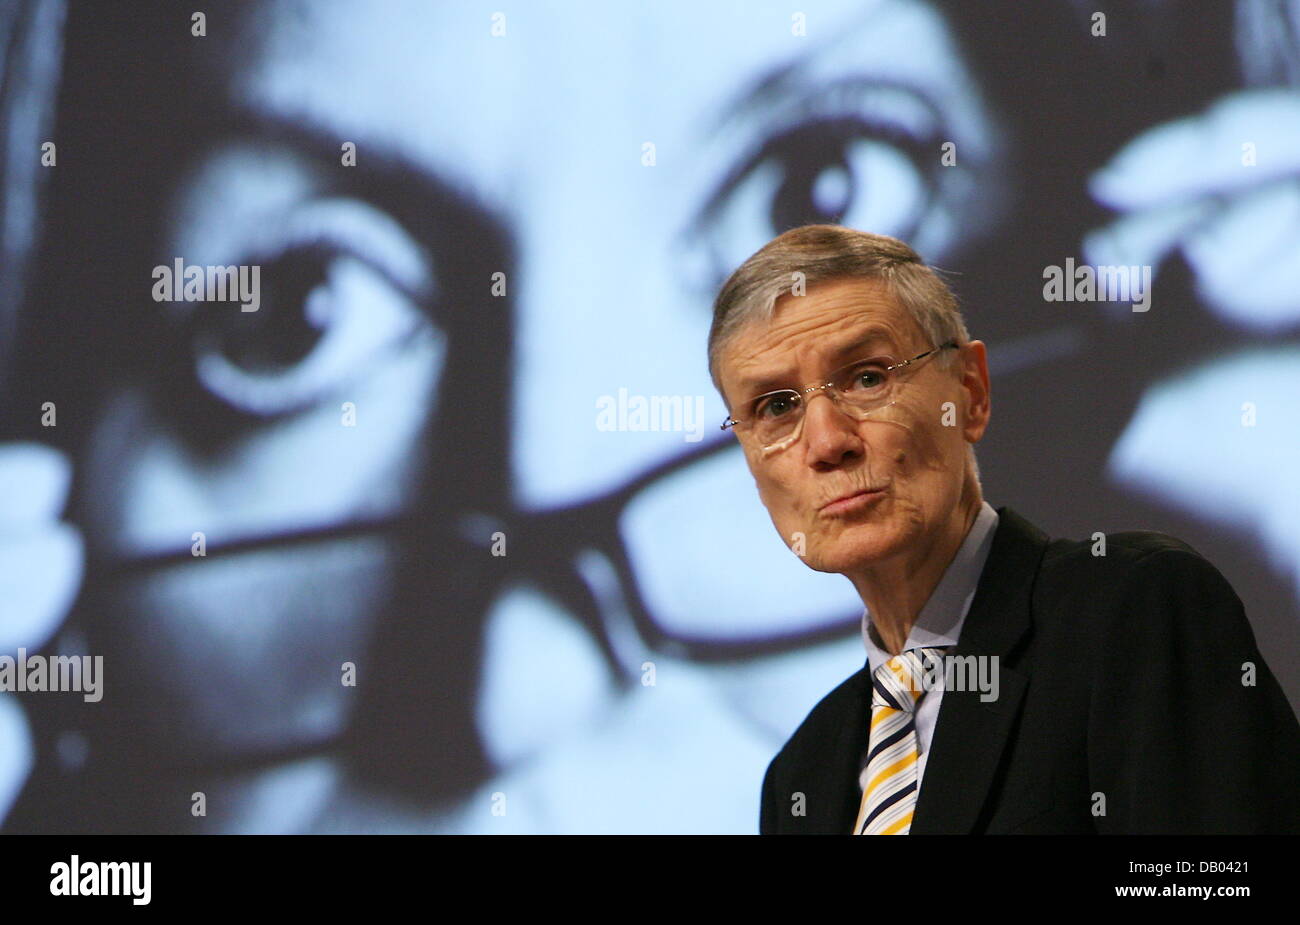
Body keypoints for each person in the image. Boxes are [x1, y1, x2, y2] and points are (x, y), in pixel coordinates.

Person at [707, 224, 1300, 834]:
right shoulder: (802, 774)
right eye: (776, 407)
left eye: (867, 377)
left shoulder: (1133, 613)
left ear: (971, 391)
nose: (828, 442)